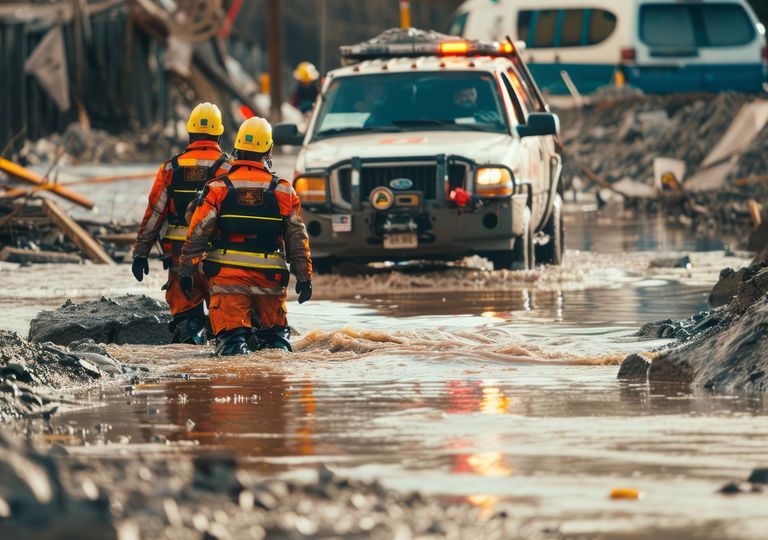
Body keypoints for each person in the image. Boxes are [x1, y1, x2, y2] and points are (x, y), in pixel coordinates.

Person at [178, 116, 313, 356]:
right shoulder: (283, 190)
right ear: (269, 149)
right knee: (276, 343)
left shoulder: (217, 188)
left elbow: (197, 232)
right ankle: (276, 387)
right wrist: (304, 277)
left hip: (226, 278)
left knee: (231, 345)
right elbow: (297, 237)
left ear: (237, 148)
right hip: (270, 279)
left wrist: (187, 271)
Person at [132, 102, 231, 344]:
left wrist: (140, 253)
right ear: (219, 134)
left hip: (178, 257)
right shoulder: (229, 169)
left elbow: (154, 214)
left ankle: (186, 375)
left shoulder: (170, 168)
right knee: (228, 328)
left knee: (187, 323)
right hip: (217, 258)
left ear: (189, 134)